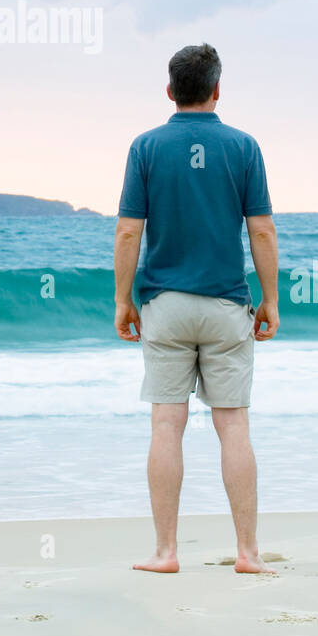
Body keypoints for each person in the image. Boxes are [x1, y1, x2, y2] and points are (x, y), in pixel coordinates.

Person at [114, 43, 279, 574]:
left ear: (169, 91)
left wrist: (122, 300)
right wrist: (271, 299)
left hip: (165, 304)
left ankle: (166, 552)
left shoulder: (145, 147)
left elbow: (127, 233)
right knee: (233, 427)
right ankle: (248, 553)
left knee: (167, 424)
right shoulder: (243, 146)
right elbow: (261, 230)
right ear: (216, 90)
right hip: (226, 304)